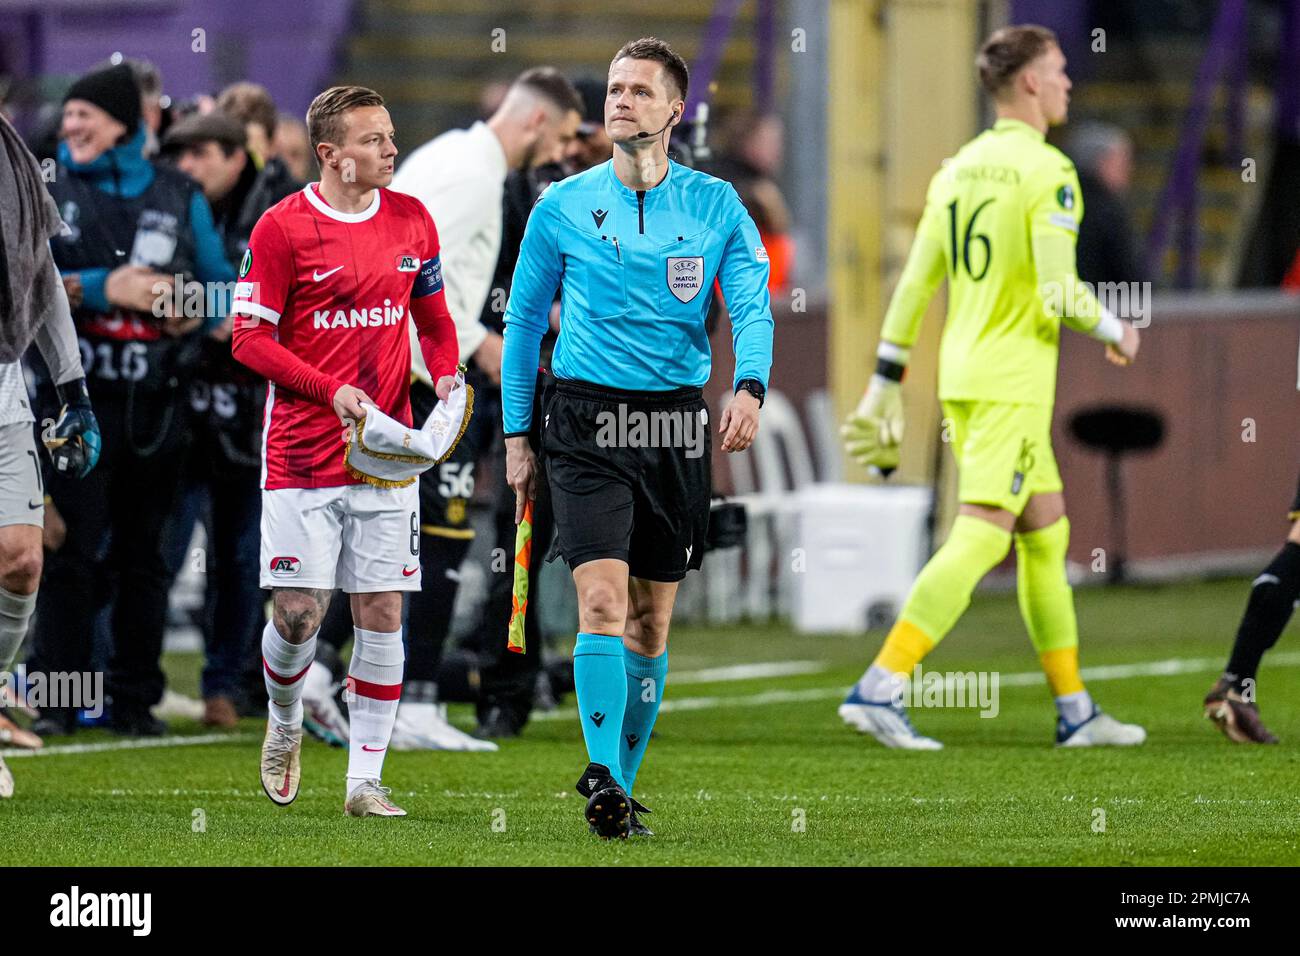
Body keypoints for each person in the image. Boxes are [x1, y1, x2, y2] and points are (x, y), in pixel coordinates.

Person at [840, 24, 1145, 750]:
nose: (1069, 82)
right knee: (982, 533)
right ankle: (881, 685)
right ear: (1032, 83)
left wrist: (885, 377)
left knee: (1046, 533)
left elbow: (917, 282)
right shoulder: (1050, 173)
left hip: (968, 373)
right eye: (1061, 69)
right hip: (1012, 382)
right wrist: (1117, 329)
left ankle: (1075, 711)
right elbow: (1059, 291)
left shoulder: (958, 169)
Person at [502, 37, 774, 838]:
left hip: (673, 425)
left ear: (674, 110)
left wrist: (750, 385)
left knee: (652, 622)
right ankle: (603, 784)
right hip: (585, 421)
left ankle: (620, 780)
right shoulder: (560, 205)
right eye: (615, 89)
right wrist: (519, 434)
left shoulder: (717, 205)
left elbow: (753, 306)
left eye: (638, 91)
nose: (620, 100)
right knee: (600, 601)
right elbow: (521, 326)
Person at [294, 67, 578, 753]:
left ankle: (348, 680)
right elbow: (402, 274)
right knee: (431, 538)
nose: (566, 152)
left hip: (419, 378)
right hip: (418, 384)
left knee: (409, 538)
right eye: (565, 136)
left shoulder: (457, 160)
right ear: (538, 121)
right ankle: (396, 696)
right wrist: (484, 346)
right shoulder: (471, 176)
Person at [230, 85, 459, 817]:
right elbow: (248, 339)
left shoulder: (413, 220)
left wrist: (448, 377)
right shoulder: (281, 229)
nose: (391, 149)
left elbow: (435, 318)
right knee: (299, 614)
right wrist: (328, 391)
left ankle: (365, 780)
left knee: (383, 610)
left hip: (385, 454)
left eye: (391, 136)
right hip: (301, 454)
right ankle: (287, 717)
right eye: (374, 139)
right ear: (331, 155)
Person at [31, 62, 234, 738]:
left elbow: (227, 293)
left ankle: (133, 701)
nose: (71, 127)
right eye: (68, 118)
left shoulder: (178, 192)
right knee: (68, 551)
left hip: (155, 408)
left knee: (145, 555)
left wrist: (189, 306)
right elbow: (17, 280)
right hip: (68, 402)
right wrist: (100, 284)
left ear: (122, 121)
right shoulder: (39, 177)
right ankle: (58, 702)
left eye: (85, 115)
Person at [160, 109, 301, 727]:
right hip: (184, 411)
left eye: (199, 155)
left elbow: (291, 298)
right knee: (160, 551)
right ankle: (128, 684)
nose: (186, 169)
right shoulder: (175, 208)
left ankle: (227, 683)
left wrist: (219, 307)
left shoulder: (284, 211)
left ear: (235, 155)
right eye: (180, 156)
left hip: (254, 417)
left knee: (243, 559)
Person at [0, 112, 101, 797]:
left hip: (5, 401)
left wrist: (74, 391)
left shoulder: (12, 161)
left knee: (22, 558)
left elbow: (41, 271)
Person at [1067, 121, 1144, 286]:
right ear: (1102, 162)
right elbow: (1126, 272)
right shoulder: (1107, 211)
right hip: (1101, 305)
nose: (1129, 170)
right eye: (1122, 162)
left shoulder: (1061, 197)